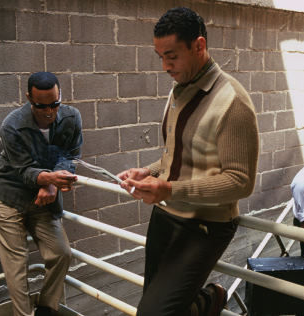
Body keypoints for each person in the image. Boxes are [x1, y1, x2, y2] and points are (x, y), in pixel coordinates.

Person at [118, 7, 259, 316]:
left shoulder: (233, 101)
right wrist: (150, 171)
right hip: (166, 217)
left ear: (198, 46)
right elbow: (181, 153)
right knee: (155, 306)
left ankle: (209, 298)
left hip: (205, 226)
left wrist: (168, 189)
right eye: (160, 58)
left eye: (172, 56)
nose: (166, 66)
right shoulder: (179, 88)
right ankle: (201, 304)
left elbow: (241, 182)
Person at [0, 72, 83, 316]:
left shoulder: (71, 117)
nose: (49, 111)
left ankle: (47, 309)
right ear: (29, 98)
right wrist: (51, 180)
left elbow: (70, 156)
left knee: (61, 254)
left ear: (60, 96)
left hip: (43, 198)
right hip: (7, 196)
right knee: (17, 268)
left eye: (54, 104)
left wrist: (51, 183)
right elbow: (22, 170)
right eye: (41, 106)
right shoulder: (12, 125)